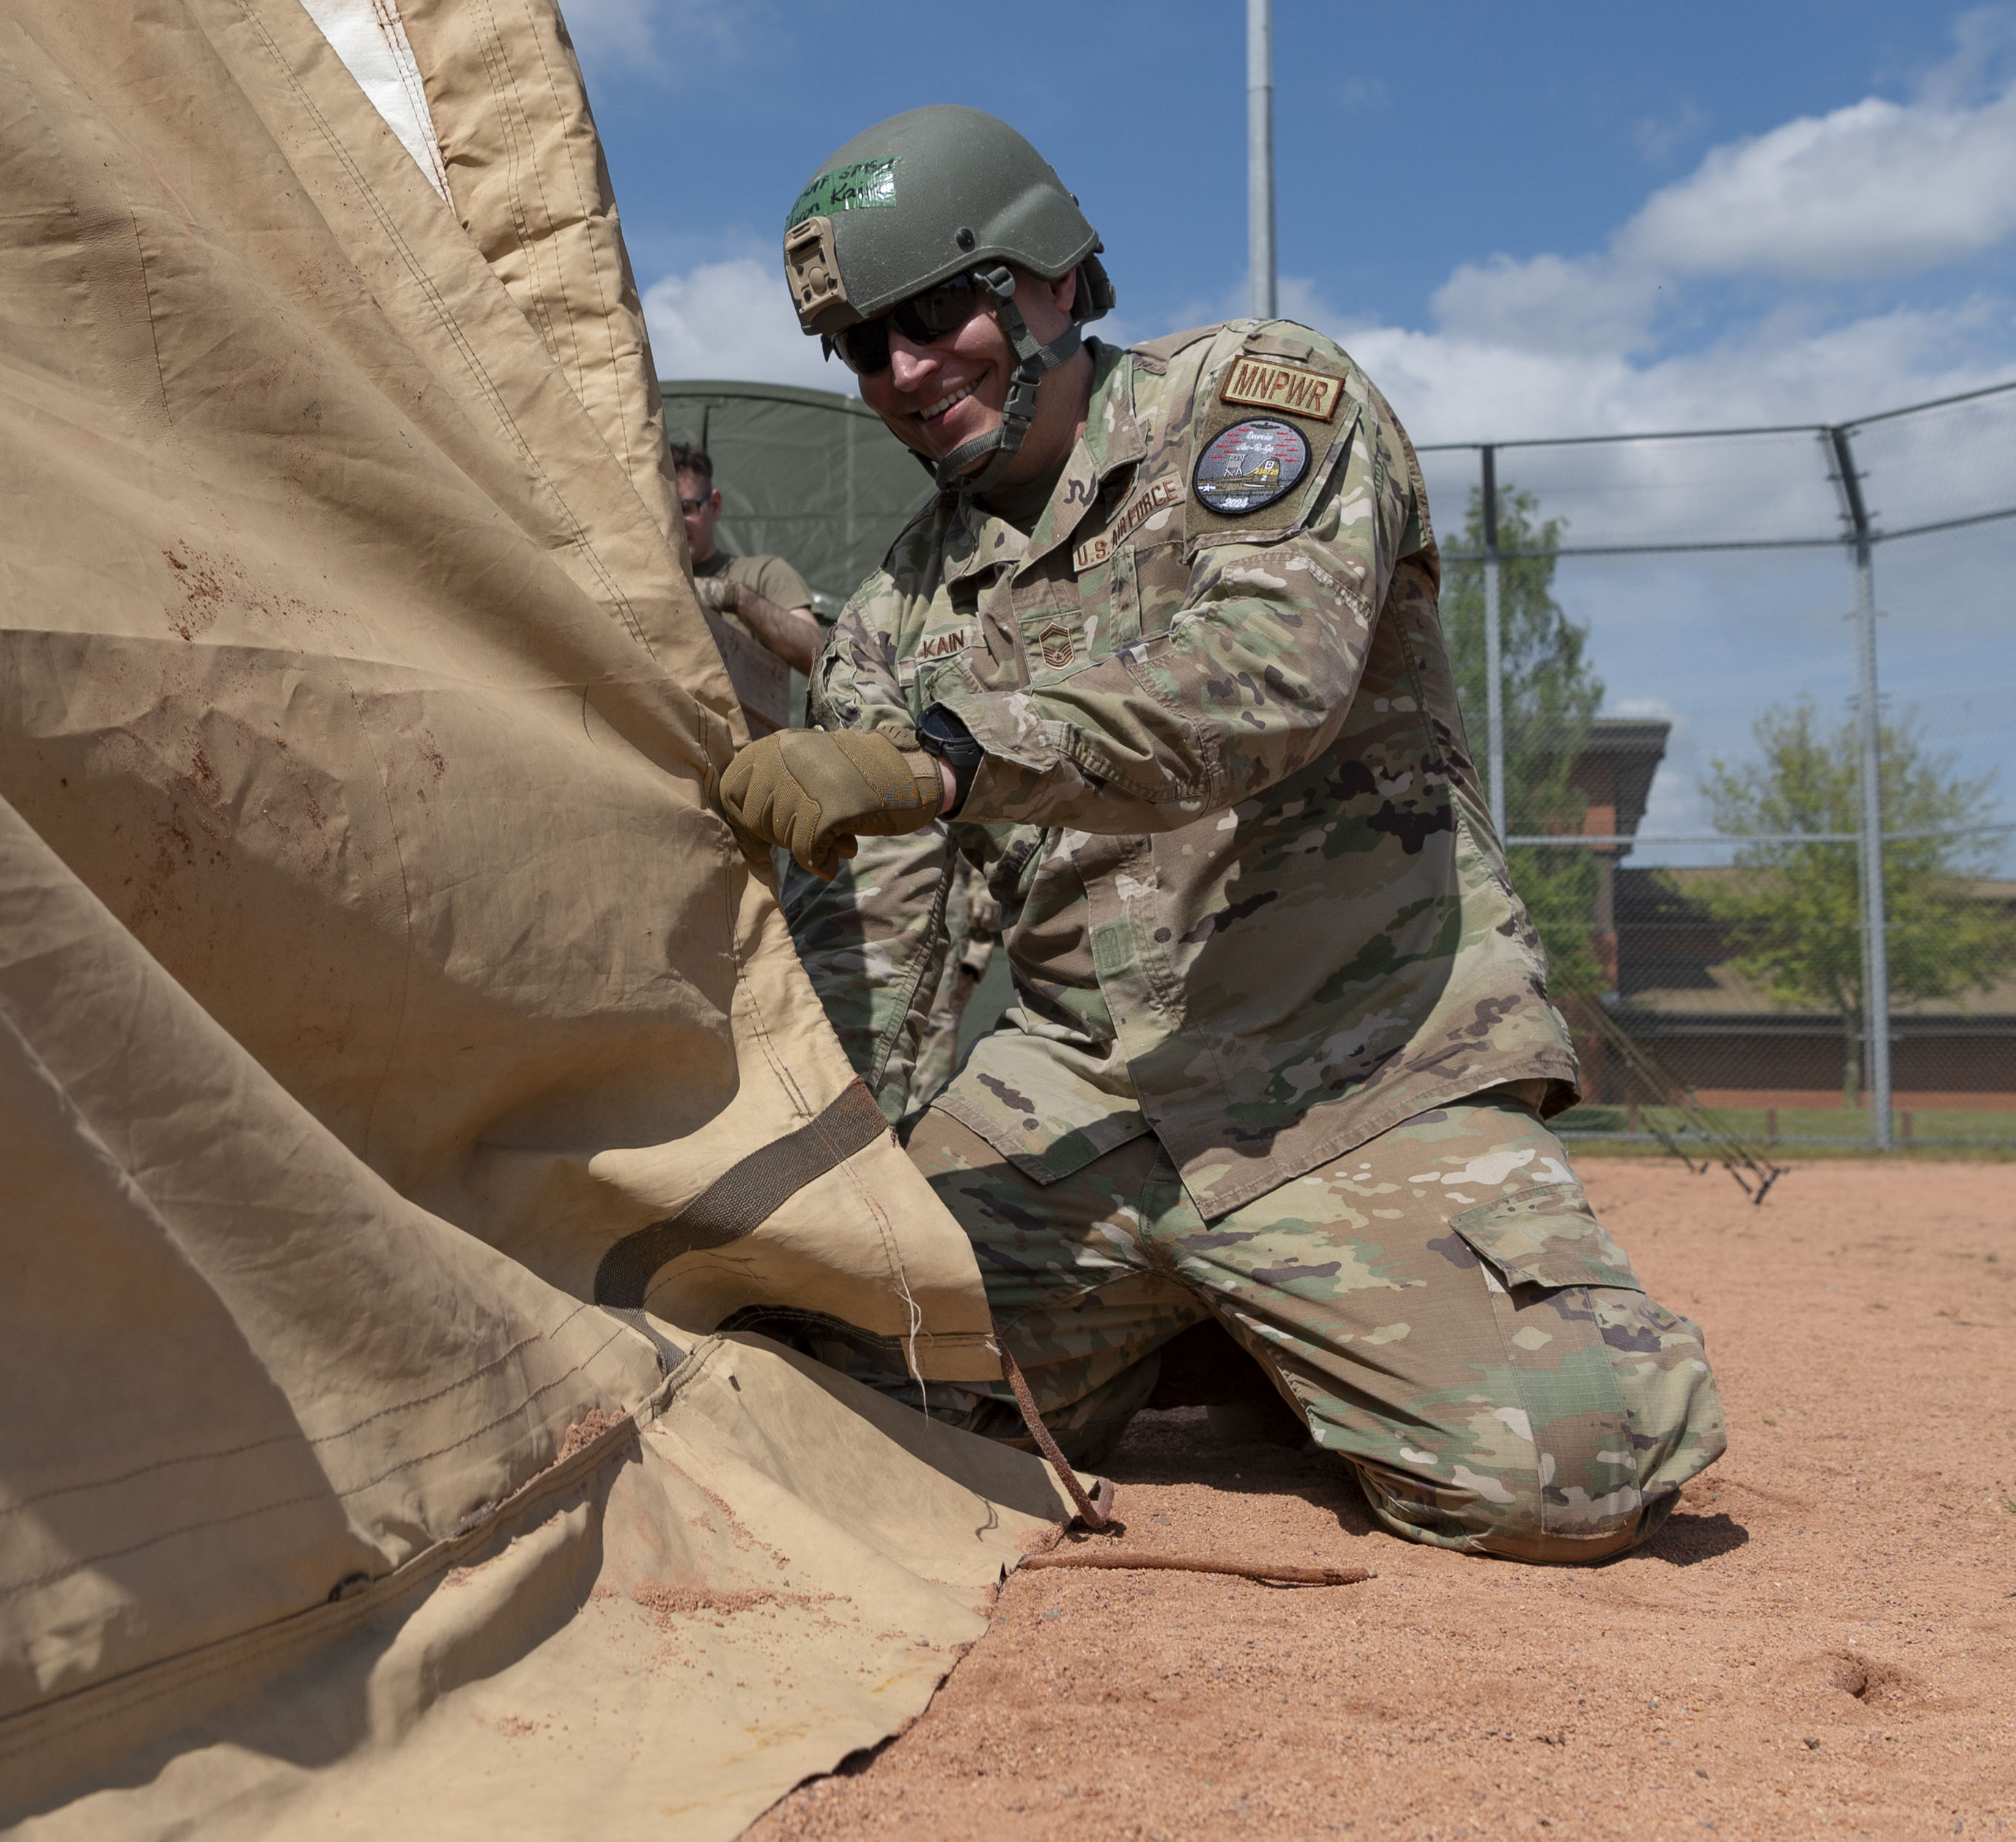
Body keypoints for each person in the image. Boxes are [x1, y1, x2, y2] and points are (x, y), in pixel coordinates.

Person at [713, 104, 1724, 1564]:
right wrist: (829, 1198)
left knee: (1554, 1469)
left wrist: (943, 755)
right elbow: (882, 944)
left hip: (1346, 1066)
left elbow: (1263, 682)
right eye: (862, 348)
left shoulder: (1256, 410)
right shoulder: (893, 614)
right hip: (1077, 1105)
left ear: (1044, 278)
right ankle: (1214, 1319)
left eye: (932, 313)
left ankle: (1293, 1323)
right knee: (817, 1397)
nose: (903, 371)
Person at [673, 443, 823, 674]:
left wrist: (736, 598)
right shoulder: (630, 581)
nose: (675, 522)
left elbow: (819, 657)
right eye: (665, 510)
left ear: (715, 505)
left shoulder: (763, 575)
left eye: (686, 509)